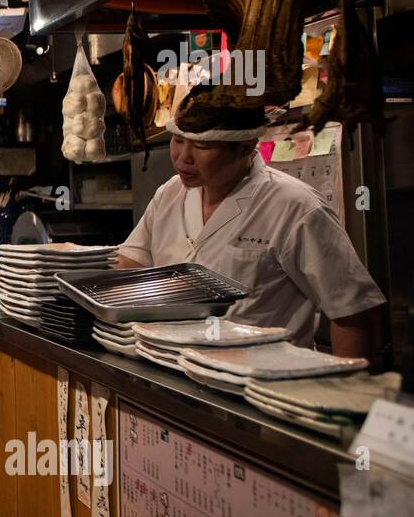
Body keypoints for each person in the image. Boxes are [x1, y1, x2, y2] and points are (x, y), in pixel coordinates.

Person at [117, 86, 385, 358]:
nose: (183, 157)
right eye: (178, 140)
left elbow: (352, 311)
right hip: (173, 369)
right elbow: (132, 263)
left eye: (202, 146)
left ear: (246, 146)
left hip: (263, 383)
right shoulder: (170, 193)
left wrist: (346, 391)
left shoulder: (296, 206)